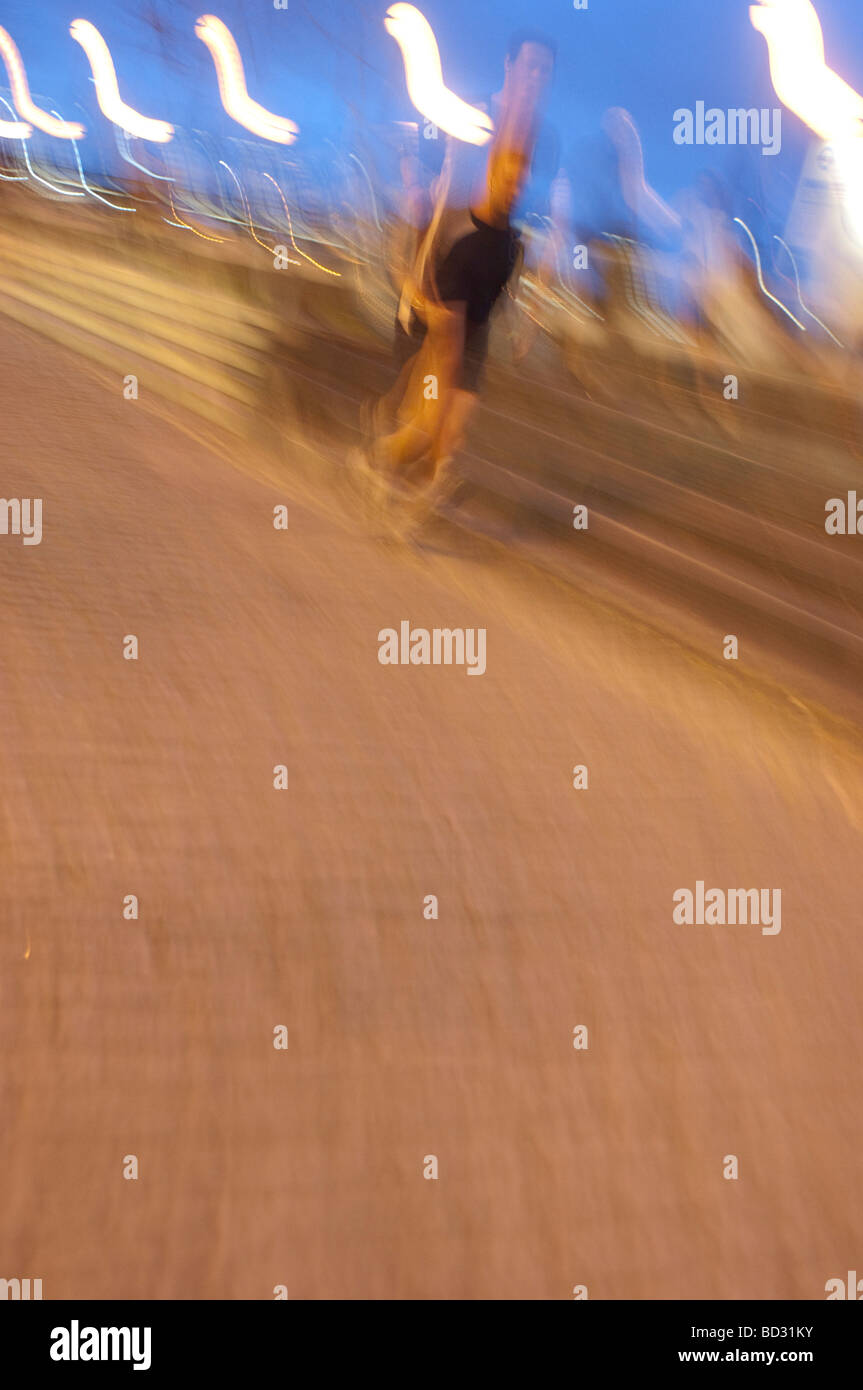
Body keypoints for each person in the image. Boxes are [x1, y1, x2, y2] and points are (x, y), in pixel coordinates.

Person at [355, 139, 530, 525]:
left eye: (521, 183)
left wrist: (517, 330)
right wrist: (423, 307)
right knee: (422, 431)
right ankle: (378, 461)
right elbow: (404, 269)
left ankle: (412, 506)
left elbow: (505, 292)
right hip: (427, 328)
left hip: (472, 338)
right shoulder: (432, 217)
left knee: (450, 441)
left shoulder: (500, 237)